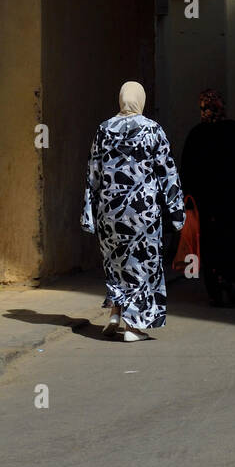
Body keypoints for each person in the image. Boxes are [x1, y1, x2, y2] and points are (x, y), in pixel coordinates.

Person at [81, 80, 185, 342]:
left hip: (109, 212)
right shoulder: (152, 130)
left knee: (115, 262)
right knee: (141, 265)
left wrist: (88, 213)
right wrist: (177, 212)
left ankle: (116, 312)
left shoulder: (103, 129)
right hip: (143, 213)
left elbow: (93, 173)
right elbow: (167, 173)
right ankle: (131, 326)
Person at [180, 90, 235, 307]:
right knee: (233, 240)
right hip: (234, 199)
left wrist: (184, 199)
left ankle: (214, 286)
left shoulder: (196, 135)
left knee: (210, 243)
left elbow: (186, 171)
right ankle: (227, 278)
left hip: (207, 202)